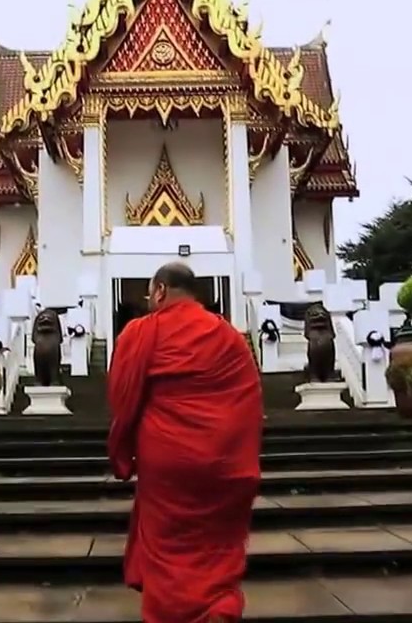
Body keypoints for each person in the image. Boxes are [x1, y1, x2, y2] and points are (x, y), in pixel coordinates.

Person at [107, 262, 264, 623]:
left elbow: (122, 396)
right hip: (226, 467)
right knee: (215, 555)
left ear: (160, 290)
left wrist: (123, 449)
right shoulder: (229, 338)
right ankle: (219, 610)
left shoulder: (142, 332)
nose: (149, 300)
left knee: (170, 557)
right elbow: (249, 403)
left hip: (168, 465)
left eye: (150, 293)